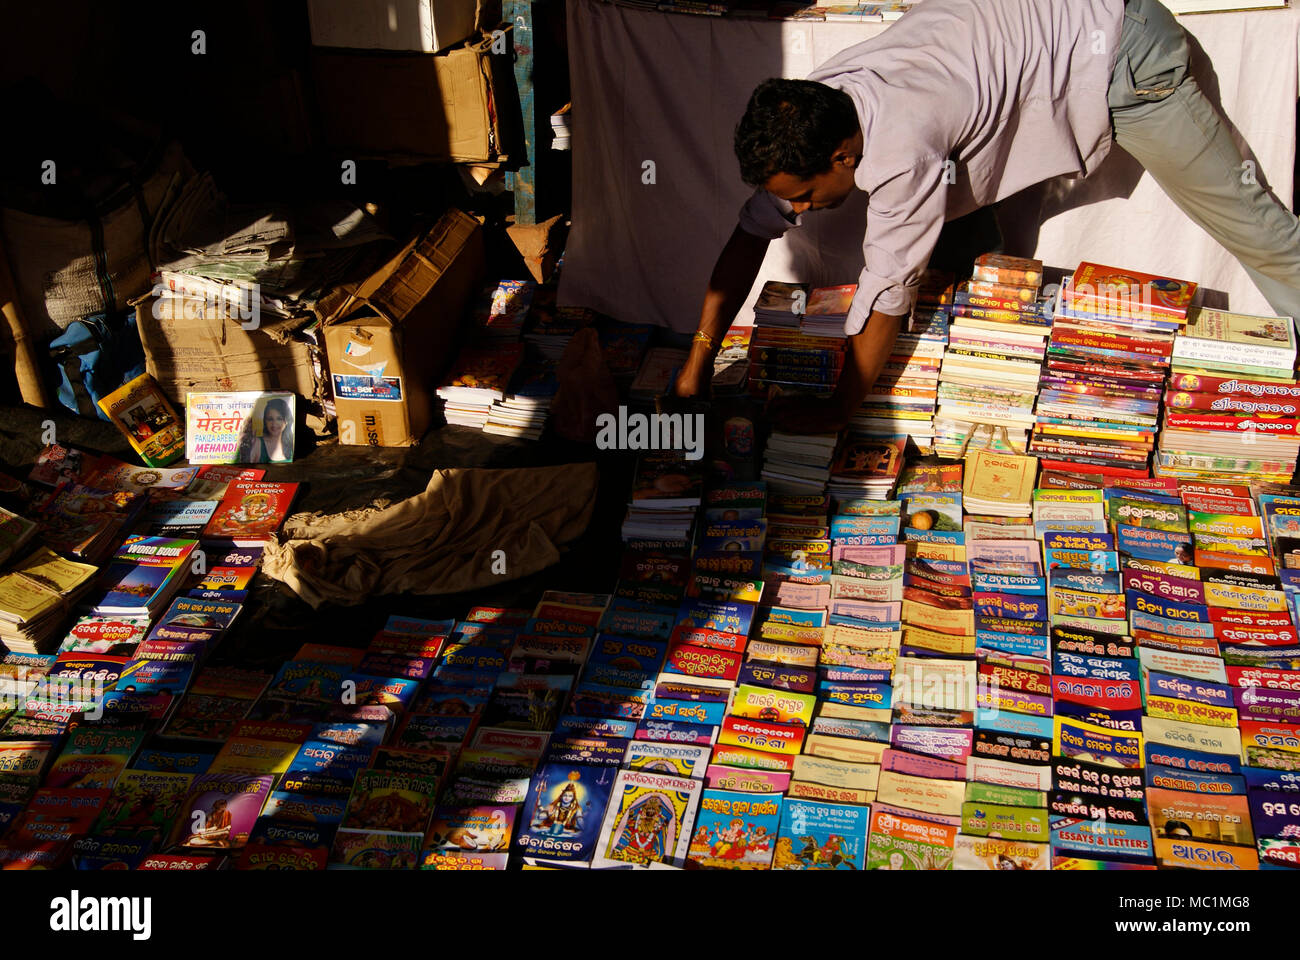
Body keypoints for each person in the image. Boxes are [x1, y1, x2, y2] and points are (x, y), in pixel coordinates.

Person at [673, 0, 1300, 434]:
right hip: (1036, 37)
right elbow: (753, 227)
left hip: (1124, 52)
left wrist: (837, 412)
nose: (801, 212)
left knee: (1256, 227)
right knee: (949, 245)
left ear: (844, 156)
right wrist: (698, 361)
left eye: (806, 196)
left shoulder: (900, 151)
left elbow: (888, 289)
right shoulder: (819, 108)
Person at [241, 397, 293, 463]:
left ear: (286, 421)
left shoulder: (291, 442)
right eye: (270, 419)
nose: (274, 424)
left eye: (279, 419)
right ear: (265, 421)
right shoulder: (257, 443)